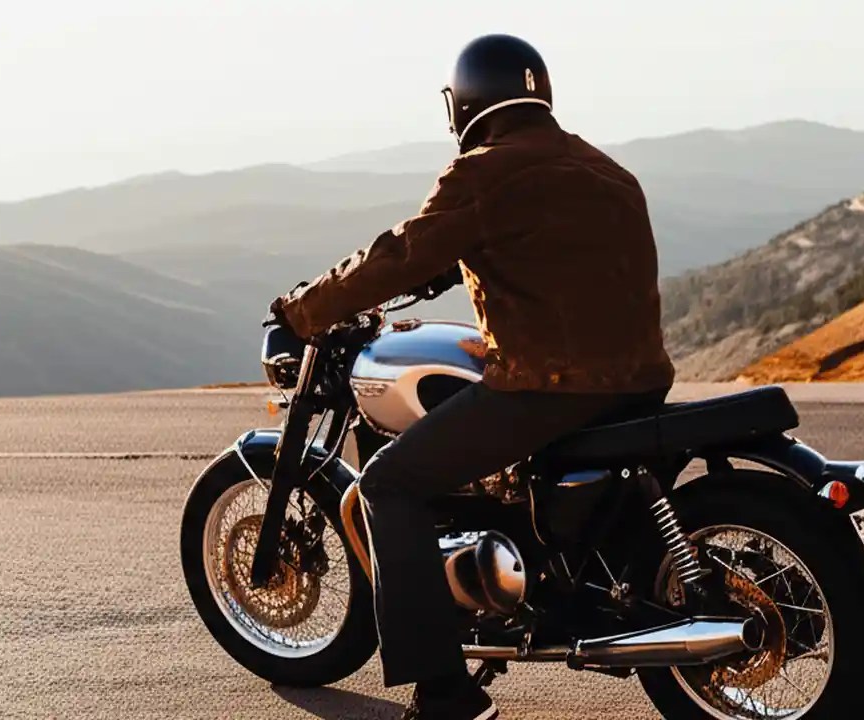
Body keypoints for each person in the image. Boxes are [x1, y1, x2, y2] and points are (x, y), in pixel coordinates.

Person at [273, 33, 674, 720]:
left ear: (464, 103)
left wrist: (306, 310)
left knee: (390, 483)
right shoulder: (607, 171)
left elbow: (396, 253)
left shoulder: (486, 171)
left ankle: (446, 696)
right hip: (639, 380)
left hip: (549, 387)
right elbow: (557, 261)